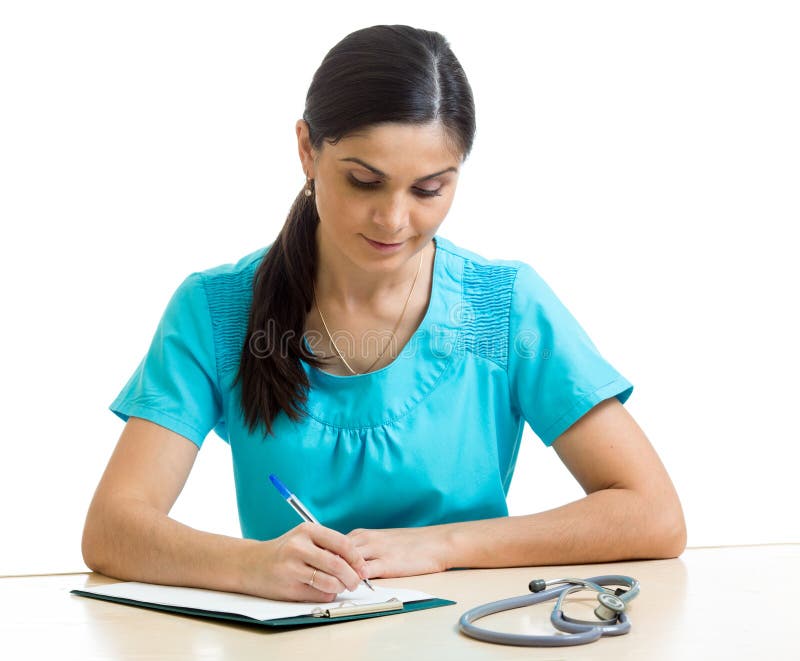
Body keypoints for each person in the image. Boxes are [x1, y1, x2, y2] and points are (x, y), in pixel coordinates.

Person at [81, 24, 686, 604]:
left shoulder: (501, 306)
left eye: (429, 189)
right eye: (364, 182)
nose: (394, 220)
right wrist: (250, 565)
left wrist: (442, 546)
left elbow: (652, 514)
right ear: (306, 150)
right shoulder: (217, 310)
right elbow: (113, 528)